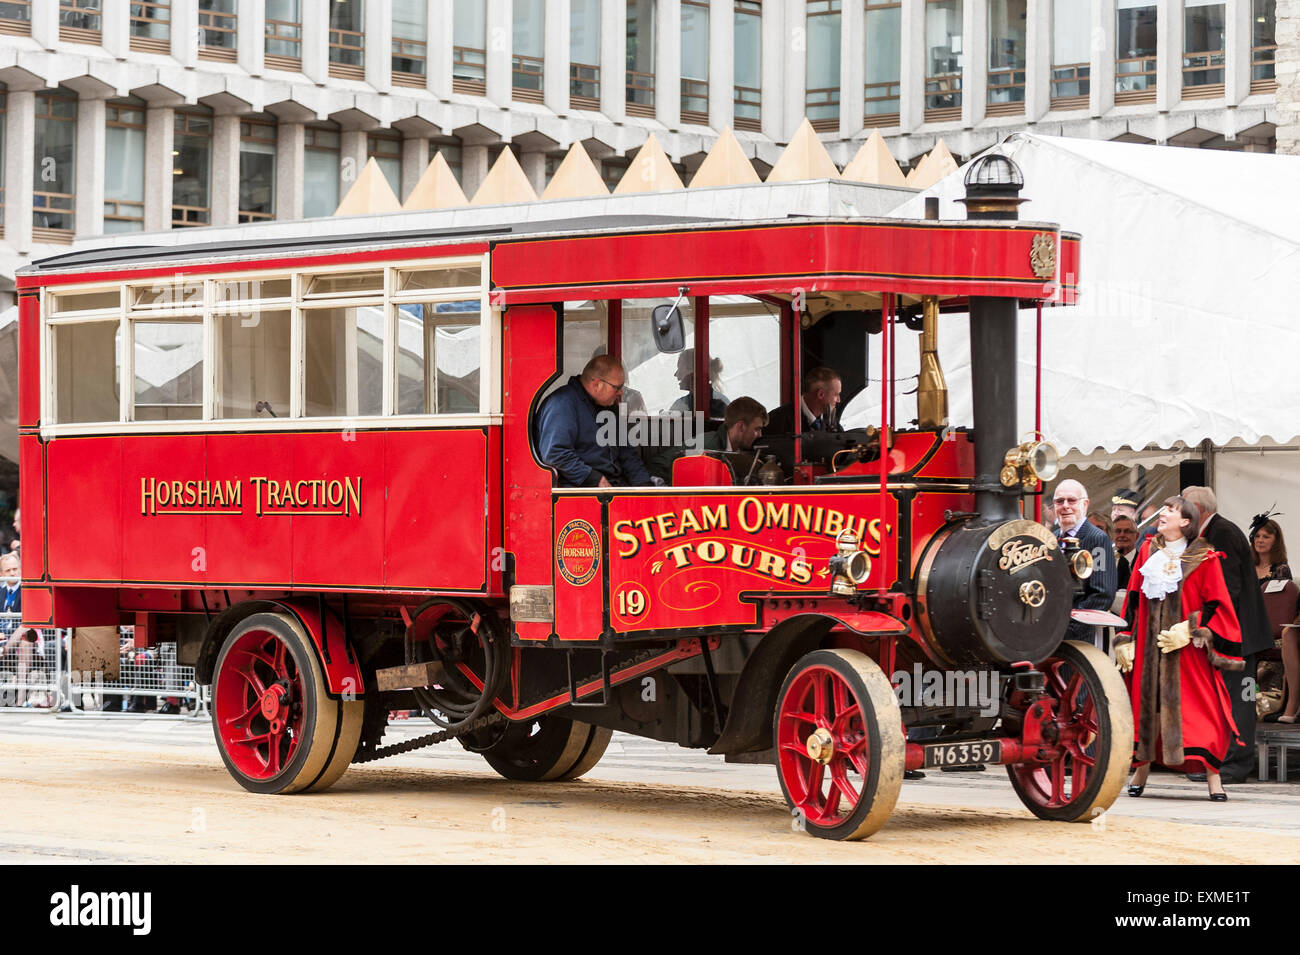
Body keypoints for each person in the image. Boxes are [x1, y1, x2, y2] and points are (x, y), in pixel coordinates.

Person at [1117, 496, 1243, 802]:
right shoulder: (1147, 550)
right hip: (1148, 648)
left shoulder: (1206, 557)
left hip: (1187, 651)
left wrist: (1190, 628)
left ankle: (1214, 779)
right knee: (1149, 709)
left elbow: (1218, 604)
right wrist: (1126, 638)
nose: (1162, 515)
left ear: (1185, 521)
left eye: (1169, 511)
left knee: (1201, 711)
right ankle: (1141, 771)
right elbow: (1134, 597)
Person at [1181, 485, 1271, 783]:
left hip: (1237, 632)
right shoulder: (1214, 532)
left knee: (1239, 700)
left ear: (1200, 510)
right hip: (1227, 630)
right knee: (1225, 699)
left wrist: (1204, 623)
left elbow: (1227, 588)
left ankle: (1236, 764)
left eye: (1186, 509)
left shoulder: (1223, 534)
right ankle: (1221, 759)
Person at [536, 355, 652, 488]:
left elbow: (626, 452)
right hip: (580, 494)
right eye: (617, 387)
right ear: (596, 384)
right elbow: (555, 453)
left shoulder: (609, 406)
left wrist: (645, 486)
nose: (621, 392)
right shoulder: (562, 404)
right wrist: (594, 479)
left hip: (613, 488)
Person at [1051, 479, 1117, 645]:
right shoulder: (1051, 538)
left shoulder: (1097, 539)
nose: (1065, 506)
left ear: (1085, 504)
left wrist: (1070, 624)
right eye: (1059, 501)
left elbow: (1102, 594)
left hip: (1080, 637)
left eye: (1071, 500)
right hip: (1050, 633)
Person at [1250, 514, 1299, 723]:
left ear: (1275, 541)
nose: (1260, 540)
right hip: (1247, 623)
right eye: (1257, 536)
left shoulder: (1280, 570)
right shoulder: (1246, 568)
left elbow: (1280, 608)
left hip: (1268, 627)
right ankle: (1242, 701)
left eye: (1266, 536)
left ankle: (1261, 697)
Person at [766, 366, 843, 435]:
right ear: (820, 394)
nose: (839, 400)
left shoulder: (832, 423)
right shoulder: (777, 421)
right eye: (836, 395)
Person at [669, 349, 728, 419]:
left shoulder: (681, 406)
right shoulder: (724, 403)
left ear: (694, 372)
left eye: (680, 368)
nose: (676, 374)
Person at [1111, 513, 1141, 612]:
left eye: (1127, 531)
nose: (1122, 535)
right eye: (1118, 531)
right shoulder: (1106, 561)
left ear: (1137, 536)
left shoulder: (1144, 562)